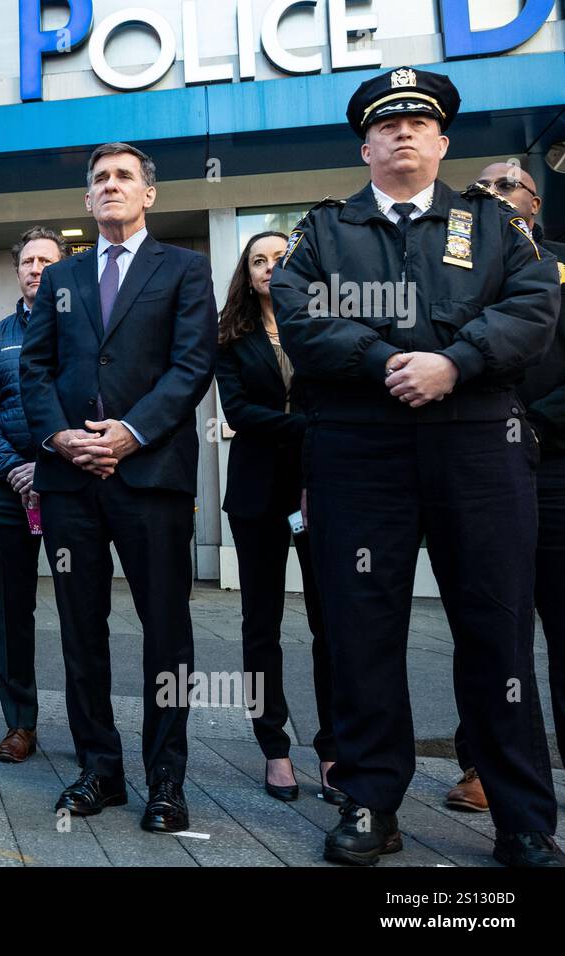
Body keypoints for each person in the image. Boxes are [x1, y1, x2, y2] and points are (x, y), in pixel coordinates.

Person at [272, 67, 563, 867]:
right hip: (360, 450)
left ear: (442, 142)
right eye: (386, 124)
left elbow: (533, 308)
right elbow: (300, 318)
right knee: (363, 632)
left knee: (497, 633)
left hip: (477, 445)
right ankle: (369, 804)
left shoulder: (497, 225)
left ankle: (523, 819)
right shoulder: (321, 231)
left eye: (418, 123)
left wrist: (454, 362)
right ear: (364, 144)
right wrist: (387, 359)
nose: (403, 132)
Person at [20, 143, 217, 830]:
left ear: (148, 195)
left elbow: (192, 365)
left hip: (151, 477)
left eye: (123, 177)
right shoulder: (62, 276)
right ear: (87, 199)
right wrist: (60, 436)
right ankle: (99, 771)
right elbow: (34, 370)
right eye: (99, 179)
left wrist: (130, 432)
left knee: (166, 632)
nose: (110, 186)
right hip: (71, 481)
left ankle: (166, 780)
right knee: (81, 631)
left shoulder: (186, 270)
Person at [444, 162, 565, 814]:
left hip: (556, 471)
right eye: (483, 190)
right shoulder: (461, 274)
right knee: (493, 629)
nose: (493, 196)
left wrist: (531, 424)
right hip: (484, 466)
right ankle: (483, 764)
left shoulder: (561, 265)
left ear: (534, 202)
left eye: (505, 186)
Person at [216, 231, 340, 805]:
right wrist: (316, 429)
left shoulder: (323, 324)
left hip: (324, 485)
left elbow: (341, 397)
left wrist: (321, 439)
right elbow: (241, 412)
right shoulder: (230, 336)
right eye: (258, 260)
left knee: (330, 623)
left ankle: (335, 746)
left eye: (278, 259)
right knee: (260, 623)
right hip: (258, 491)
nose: (268, 268)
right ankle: (275, 746)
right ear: (247, 273)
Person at [0, 226, 68, 762]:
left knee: (82, 607)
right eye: (27, 261)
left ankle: (90, 725)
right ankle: (20, 723)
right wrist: (14, 469)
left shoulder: (82, 333)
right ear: (17, 270)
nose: (36, 269)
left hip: (69, 485)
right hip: (6, 492)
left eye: (46, 261)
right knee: (12, 610)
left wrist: (49, 467)